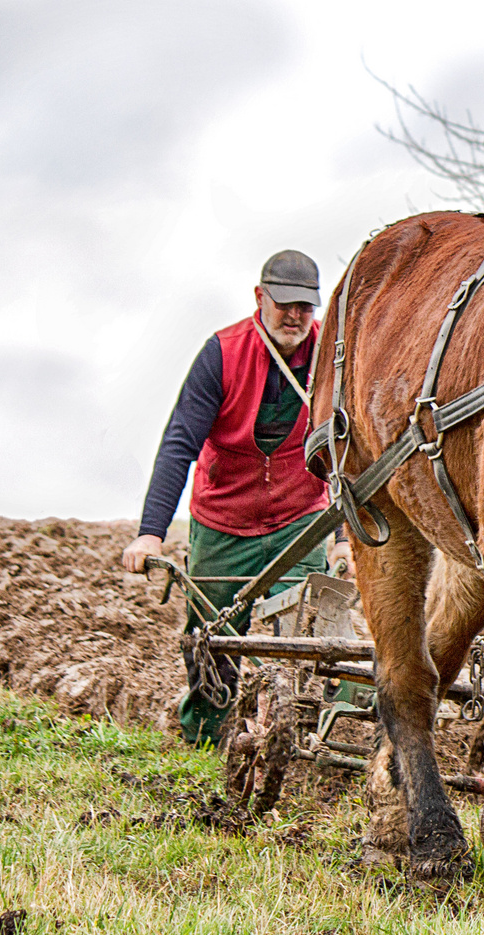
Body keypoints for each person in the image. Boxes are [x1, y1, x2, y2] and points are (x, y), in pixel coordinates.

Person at [121, 250, 350, 747]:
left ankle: (319, 733)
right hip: (224, 519)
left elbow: (345, 449)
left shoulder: (332, 357)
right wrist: (151, 533)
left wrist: (341, 537)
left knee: (314, 626)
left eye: (305, 308)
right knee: (213, 637)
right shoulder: (221, 354)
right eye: (283, 304)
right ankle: (206, 735)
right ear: (259, 297)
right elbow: (180, 442)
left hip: (298, 518)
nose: (294, 317)